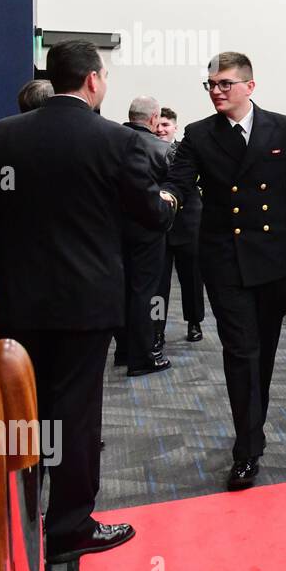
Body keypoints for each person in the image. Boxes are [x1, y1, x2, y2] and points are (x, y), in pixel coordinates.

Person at [0, 39, 177, 561]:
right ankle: (68, 526)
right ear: (92, 80)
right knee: (77, 413)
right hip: (86, 302)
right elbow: (148, 214)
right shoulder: (115, 141)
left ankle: (20, 508)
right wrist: (169, 200)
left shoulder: (1, 136)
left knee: (24, 407)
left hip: (20, 300)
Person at [165, 52, 286, 491]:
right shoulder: (200, 134)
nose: (216, 91)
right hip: (224, 258)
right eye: (211, 85)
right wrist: (164, 199)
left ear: (249, 87)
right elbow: (179, 180)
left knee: (264, 350)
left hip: (274, 259)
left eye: (224, 84)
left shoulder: (282, 126)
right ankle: (247, 448)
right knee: (240, 350)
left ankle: (251, 428)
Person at [115, 95, 176, 376]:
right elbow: (174, 190)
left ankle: (123, 349)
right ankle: (141, 357)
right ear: (153, 119)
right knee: (145, 293)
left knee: (122, 288)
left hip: (113, 229)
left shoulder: (110, 142)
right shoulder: (163, 150)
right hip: (149, 230)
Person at [155, 107, 205, 345]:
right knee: (158, 283)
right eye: (158, 125)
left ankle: (194, 322)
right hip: (159, 226)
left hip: (188, 222)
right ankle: (157, 329)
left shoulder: (187, 150)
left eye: (166, 125)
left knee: (192, 278)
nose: (161, 129)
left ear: (175, 126)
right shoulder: (146, 149)